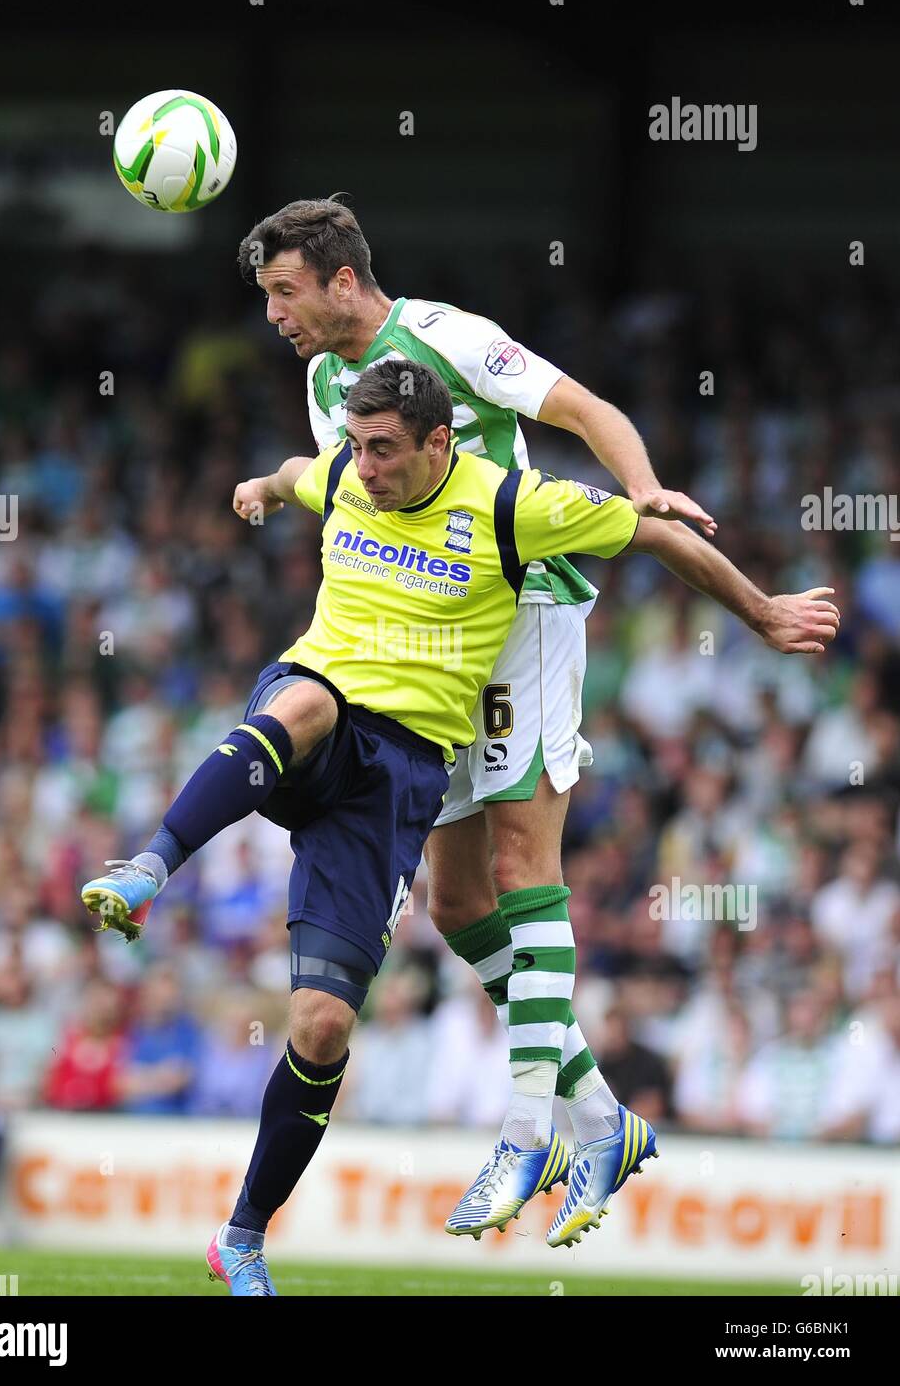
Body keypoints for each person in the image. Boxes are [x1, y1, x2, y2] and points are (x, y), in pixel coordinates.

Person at [80, 360, 838, 1294]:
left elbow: (653, 535)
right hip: (321, 711)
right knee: (306, 703)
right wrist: (259, 489)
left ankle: (241, 1237)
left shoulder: (514, 506)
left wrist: (762, 612)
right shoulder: (345, 476)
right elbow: (291, 472)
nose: (362, 468)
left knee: (320, 1027)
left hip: (401, 782)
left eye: (383, 449)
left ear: (440, 442)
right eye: (354, 447)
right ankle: (148, 868)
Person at [240, 196, 715, 1242]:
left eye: (284, 291)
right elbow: (364, 492)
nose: (273, 314)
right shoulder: (328, 383)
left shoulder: (449, 340)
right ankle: (601, 1118)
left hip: (527, 605)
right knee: (454, 904)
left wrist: (644, 488)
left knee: (517, 866)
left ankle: (524, 1128)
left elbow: (584, 409)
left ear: (342, 280)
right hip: (439, 641)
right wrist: (278, 493)